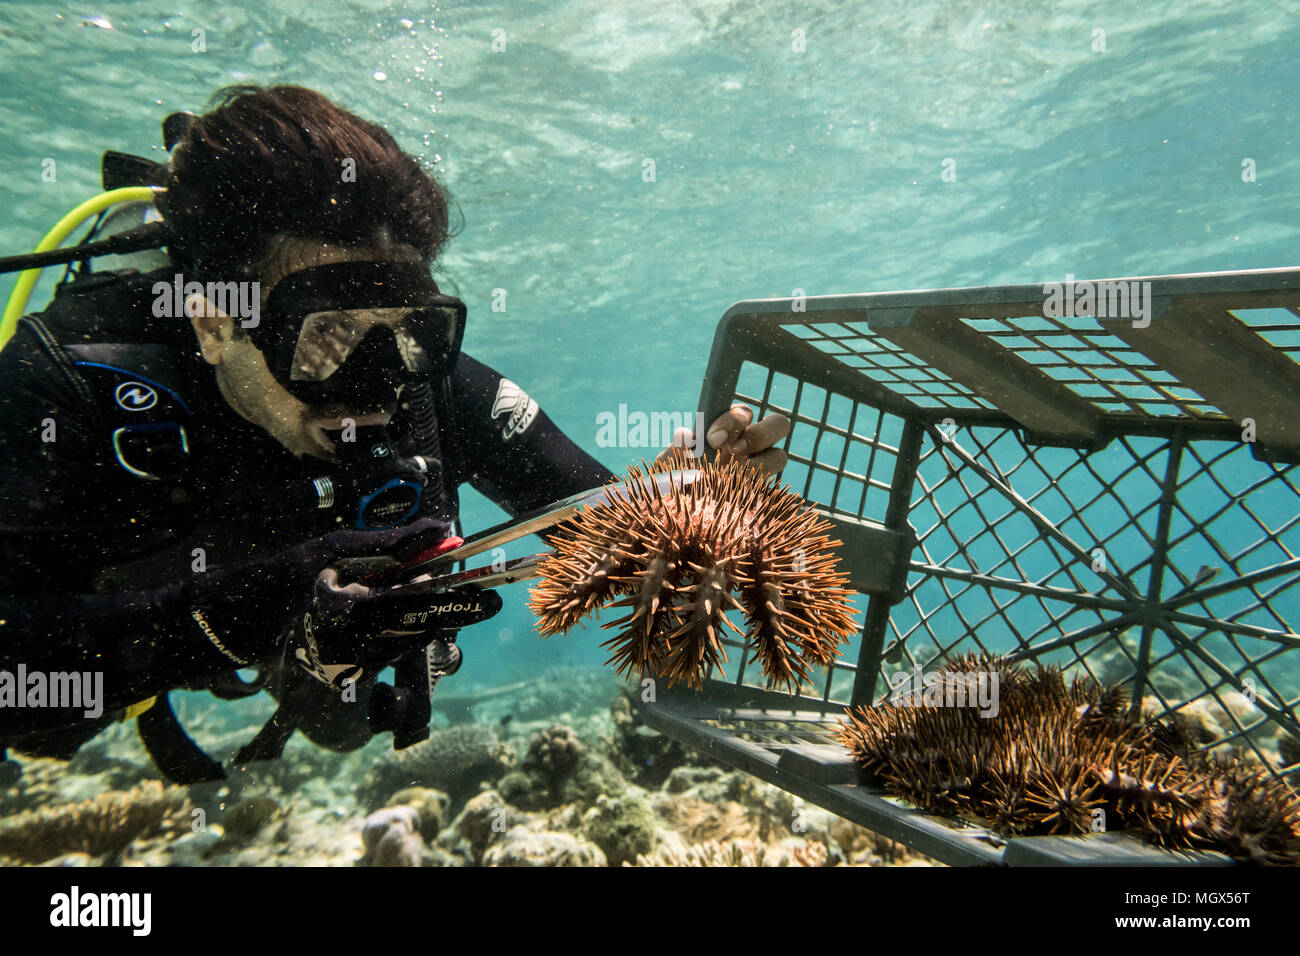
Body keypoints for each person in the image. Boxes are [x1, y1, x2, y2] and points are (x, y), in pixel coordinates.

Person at [0, 85, 788, 782]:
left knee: (343, 720)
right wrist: (227, 618)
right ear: (214, 323)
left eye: (410, 329)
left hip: (310, 653)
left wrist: (694, 513)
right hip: (137, 609)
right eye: (327, 332)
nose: (378, 385)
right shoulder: (71, 385)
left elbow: (610, 532)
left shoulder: (425, 377)